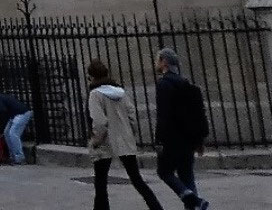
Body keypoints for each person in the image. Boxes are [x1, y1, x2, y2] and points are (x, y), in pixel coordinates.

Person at [87, 58, 166, 210]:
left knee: (101, 183)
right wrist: (131, 133)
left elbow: (99, 121)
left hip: (105, 143)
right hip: (125, 139)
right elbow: (132, 116)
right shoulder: (121, 93)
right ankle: (156, 207)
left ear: (92, 76)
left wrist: (97, 139)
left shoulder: (95, 95)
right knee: (136, 179)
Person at [155, 48, 209, 210]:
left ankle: (193, 199)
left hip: (172, 139)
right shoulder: (185, 83)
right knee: (187, 175)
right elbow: (198, 113)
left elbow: (163, 115)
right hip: (189, 138)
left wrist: (159, 140)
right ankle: (193, 204)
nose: (156, 63)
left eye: (158, 60)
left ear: (164, 62)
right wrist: (199, 140)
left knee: (164, 172)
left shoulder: (164, 84)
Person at [0, 90, 33, 165]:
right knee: (7, 133)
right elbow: (1, 112)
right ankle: (13, 156)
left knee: (13, 133)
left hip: (21, 113)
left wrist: (0, 126)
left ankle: (20, 158)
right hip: (14, 115)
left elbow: (3, 111)